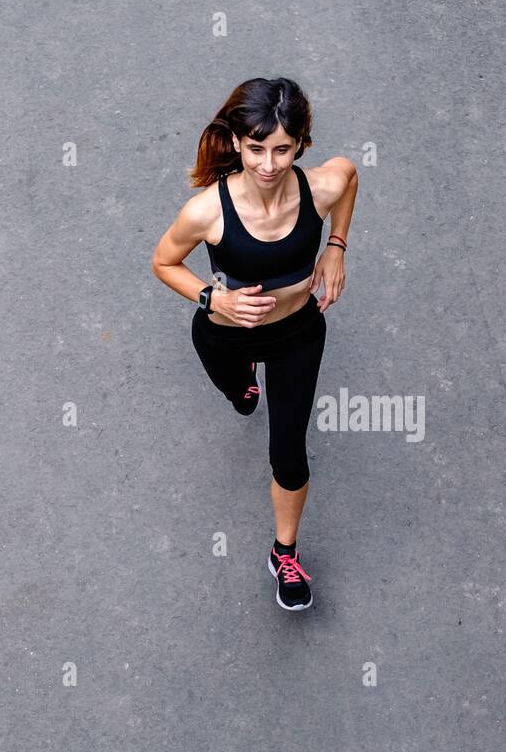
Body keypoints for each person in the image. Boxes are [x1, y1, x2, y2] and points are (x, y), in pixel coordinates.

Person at [151, 76, 358, 611]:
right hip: (225, 336)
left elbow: (350, 175)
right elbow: (163, 262)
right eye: (257, 149)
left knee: (288, 455)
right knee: (242, 395)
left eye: (283, 150)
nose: (268, 164)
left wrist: (335, 247)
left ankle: (284, 553)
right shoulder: (207, 211)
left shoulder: (322, 186)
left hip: (297, 335)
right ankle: (243, 387)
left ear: (301, 145)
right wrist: (211, 300)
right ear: (237, 143)